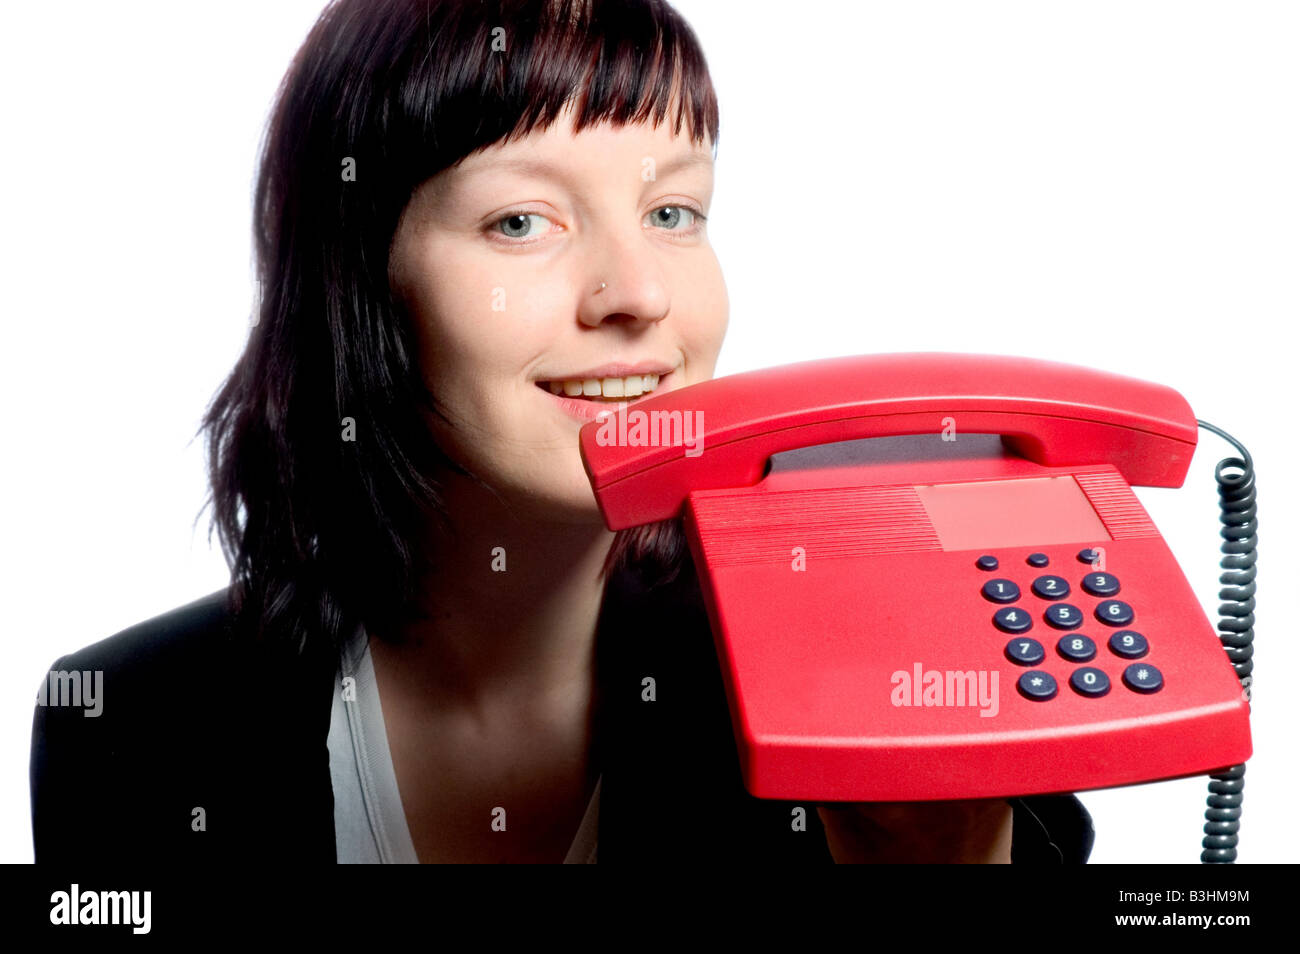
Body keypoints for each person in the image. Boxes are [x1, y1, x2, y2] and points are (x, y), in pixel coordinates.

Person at [29, 0, 1094, 864]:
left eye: (674, 213)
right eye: (520, 221)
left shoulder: (901, 686)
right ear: (360, 285)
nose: (638, 295)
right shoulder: (129, 728)